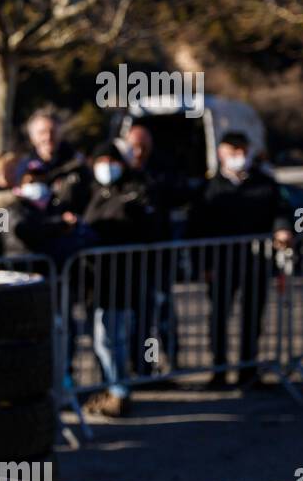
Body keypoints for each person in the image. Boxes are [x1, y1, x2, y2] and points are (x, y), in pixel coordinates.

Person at [188, 132, 293, 390]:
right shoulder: (209, 188)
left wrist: (283, 229)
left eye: (241, 151)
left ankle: (248, 369)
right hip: (221, 263)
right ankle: (219, 368)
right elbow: (196, 228)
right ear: (221, 153)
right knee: (219, 317)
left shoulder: (265, 183)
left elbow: (282, 211)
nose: (238, 156)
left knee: (252, 317)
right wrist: (203, 266)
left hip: (255, 262)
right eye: (231, 151)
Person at [77, 141, 157, 417]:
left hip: (119, 280)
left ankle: (119, 389)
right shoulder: (94, 192)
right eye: (101, 161)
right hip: (94, 281)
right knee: (102, 338)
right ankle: (111, 387)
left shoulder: (133, 191)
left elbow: (140, 226)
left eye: (112, 161)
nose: (106, 167)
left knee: (109, 338)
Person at [125, 123, 192, 378]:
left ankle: (171, 361)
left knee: (163, 311)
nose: (139, 152)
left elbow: (181, 194)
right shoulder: (124, 174)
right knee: (139, 317)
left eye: (143, 146)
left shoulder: (162, 171)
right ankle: (143, 366)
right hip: (131, 258)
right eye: (134, 146)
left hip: (159, 255)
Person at [21, 107, 88, 212]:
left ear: (60, 133)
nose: (48, 137)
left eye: (53, 131)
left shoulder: (78, 165)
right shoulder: (21, 167)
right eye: (42, 132)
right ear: (32, 137)